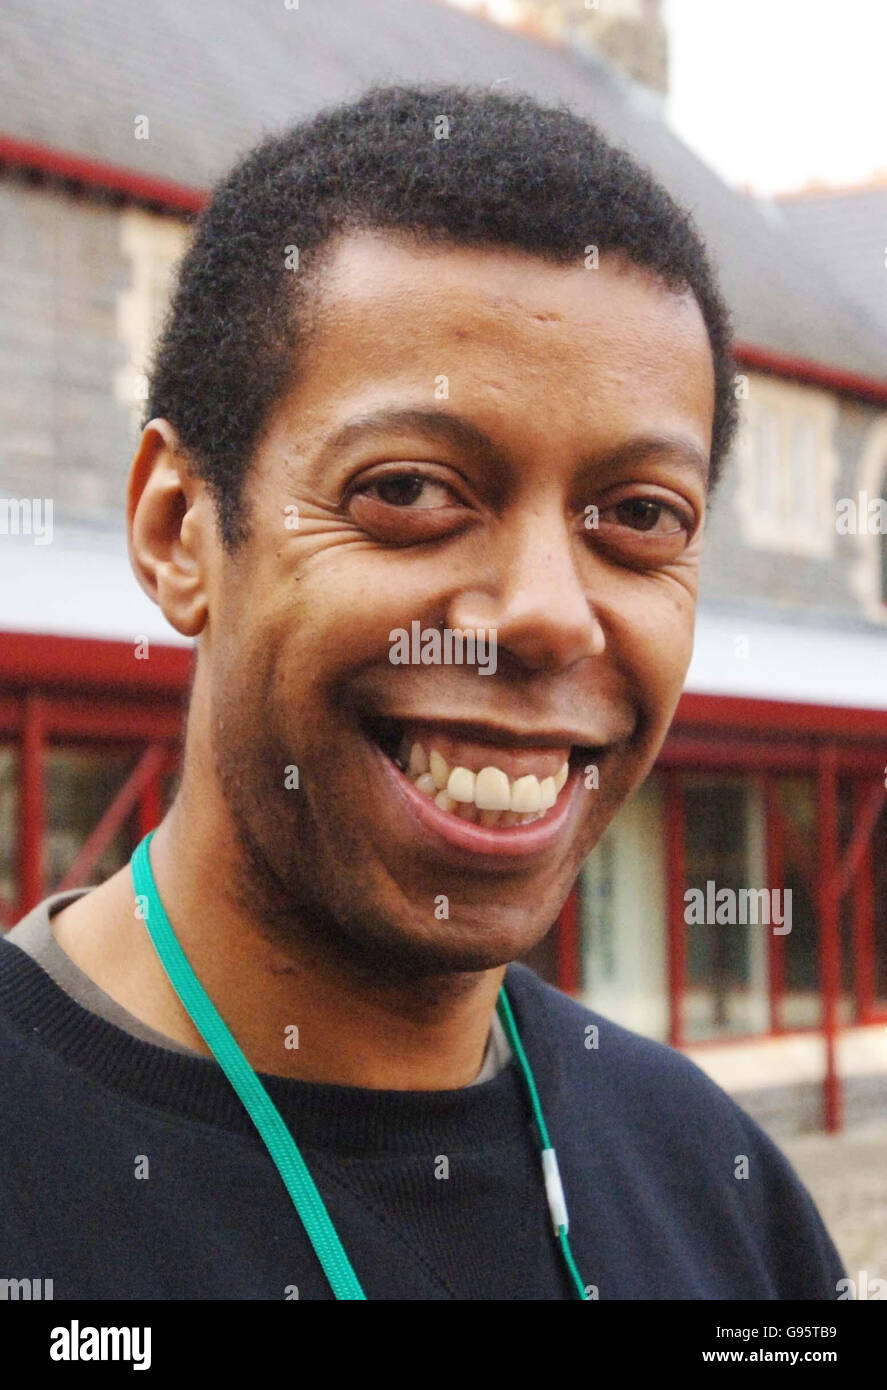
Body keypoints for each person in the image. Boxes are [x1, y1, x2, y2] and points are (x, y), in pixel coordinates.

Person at [0, 83, 844, 1300]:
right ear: (179, 530)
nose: (550, 612)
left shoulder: (715, 1184)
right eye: (407, 491)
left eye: (637, 516)